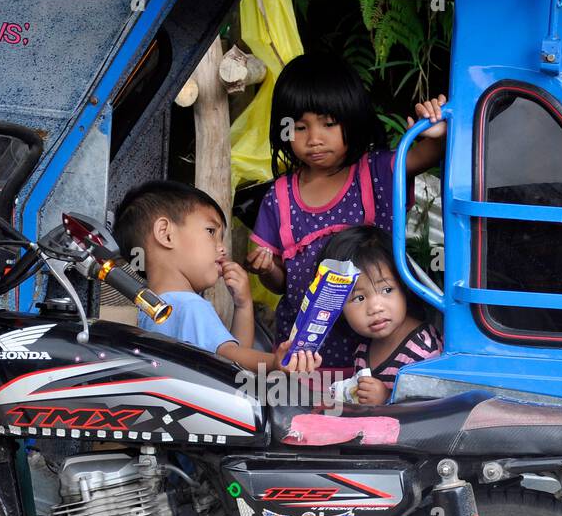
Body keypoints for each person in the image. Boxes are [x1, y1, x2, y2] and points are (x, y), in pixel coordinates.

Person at [244, 51, 446, 368]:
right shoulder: (279, 197)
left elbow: (425, 154)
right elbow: (282, 283)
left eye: (329, 123)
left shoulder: (376, 173)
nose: (314, 139)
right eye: (300, 127)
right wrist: (266, 268)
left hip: (378, 358)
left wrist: (437, 131)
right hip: (306, 360)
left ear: (352, 119)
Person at [113, 180, 320, 374]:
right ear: (166, 234)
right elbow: (232, 360)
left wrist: (243, 305)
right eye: (211, 231)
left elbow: (234, 358)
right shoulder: (190, 306)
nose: (222, 248)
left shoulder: (149, 311)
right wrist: (275, 362)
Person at [327, 226, 442, 405]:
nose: (375, 307)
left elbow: (431, 413)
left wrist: (387, 399)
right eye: (359, 298)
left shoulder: (423, 350)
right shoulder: (362, 350)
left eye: (387, 289)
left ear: (404, 286)